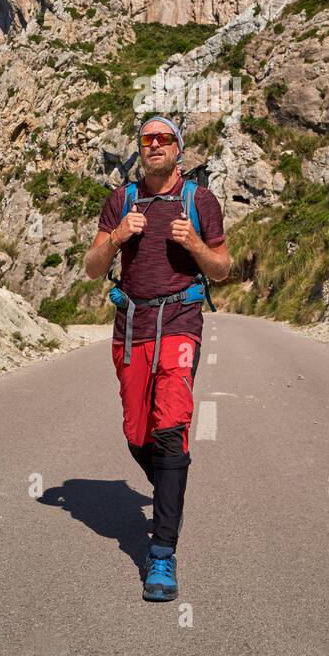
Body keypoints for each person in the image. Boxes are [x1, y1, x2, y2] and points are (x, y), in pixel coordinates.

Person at [84, 115, 231, 601]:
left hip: (181, 323)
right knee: (136, 431)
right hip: (132, 326)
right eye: (147, 139)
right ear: (139, 150)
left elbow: (223, 268)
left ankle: (162, 552)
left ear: (178, 150)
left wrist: (193, 245)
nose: (155, 146)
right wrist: (118, 236)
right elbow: (91, 268)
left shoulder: (199, 200)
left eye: (164, 139)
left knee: (171, 426)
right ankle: (172, 482)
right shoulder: (121, 201)